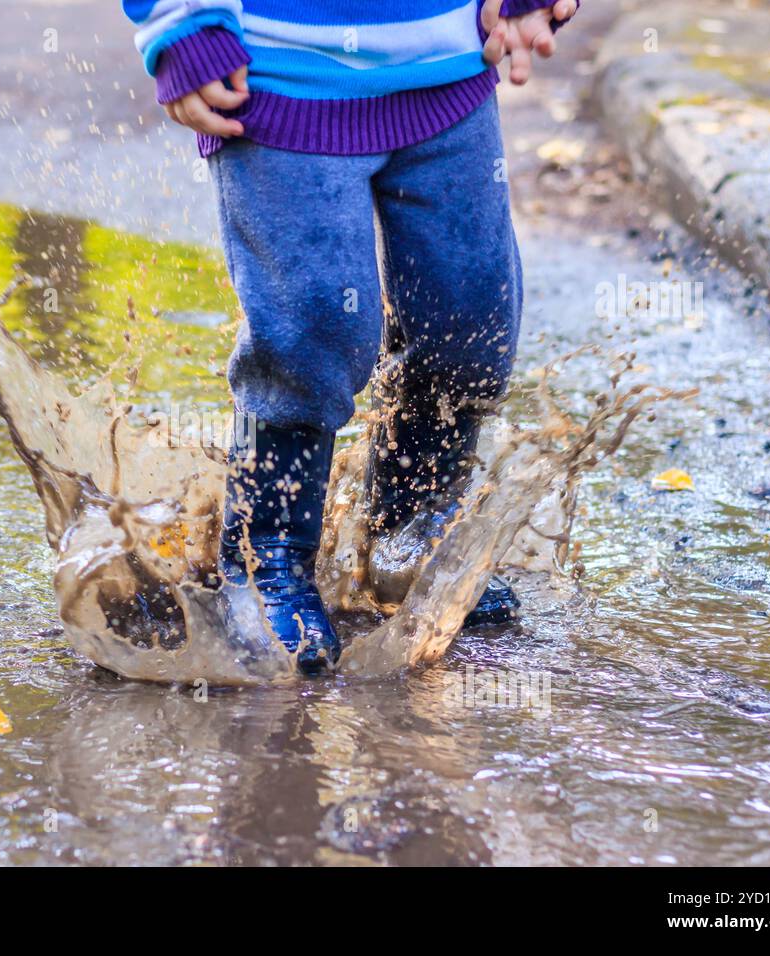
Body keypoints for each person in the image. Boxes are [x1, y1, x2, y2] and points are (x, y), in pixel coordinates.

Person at [121, 0, 580, 674]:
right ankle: (263, 552)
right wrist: (182, 20)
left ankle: (409, 531)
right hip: (275, 77)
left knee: (469, 319)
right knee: (312, 325)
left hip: (448, 69)